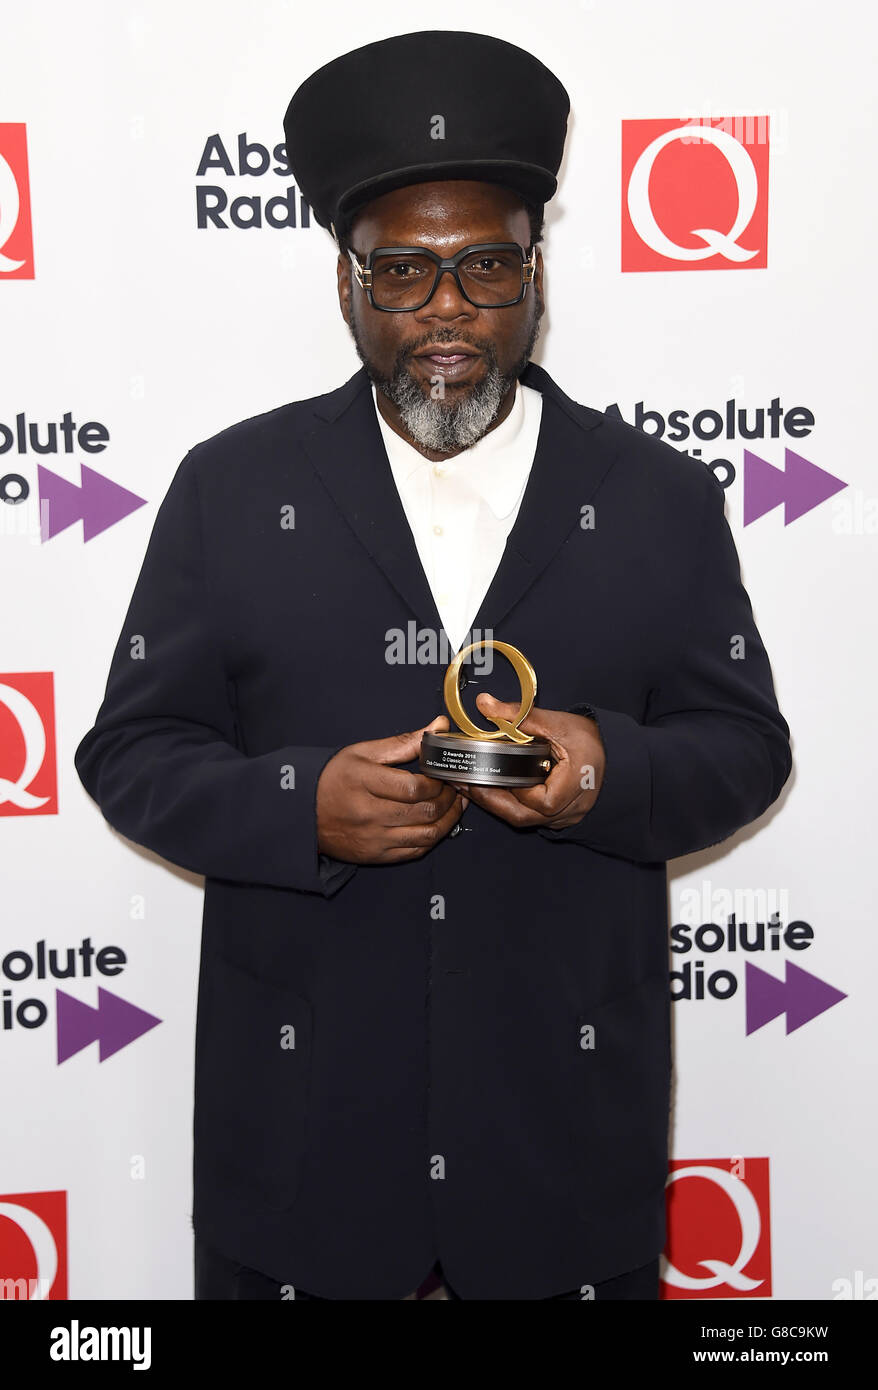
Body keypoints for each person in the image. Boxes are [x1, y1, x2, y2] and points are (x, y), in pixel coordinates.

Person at [74, 31, 792, 1300]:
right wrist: (302, 806)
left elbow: (743, 750)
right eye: (401, 271)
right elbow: (131, 752)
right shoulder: (230, 491)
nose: (446, 308)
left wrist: (595, 773)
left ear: (535, 276)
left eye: (486, 266)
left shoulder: (657, 499)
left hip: (565, 1159)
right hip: (300, 1164)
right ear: (344, 285)